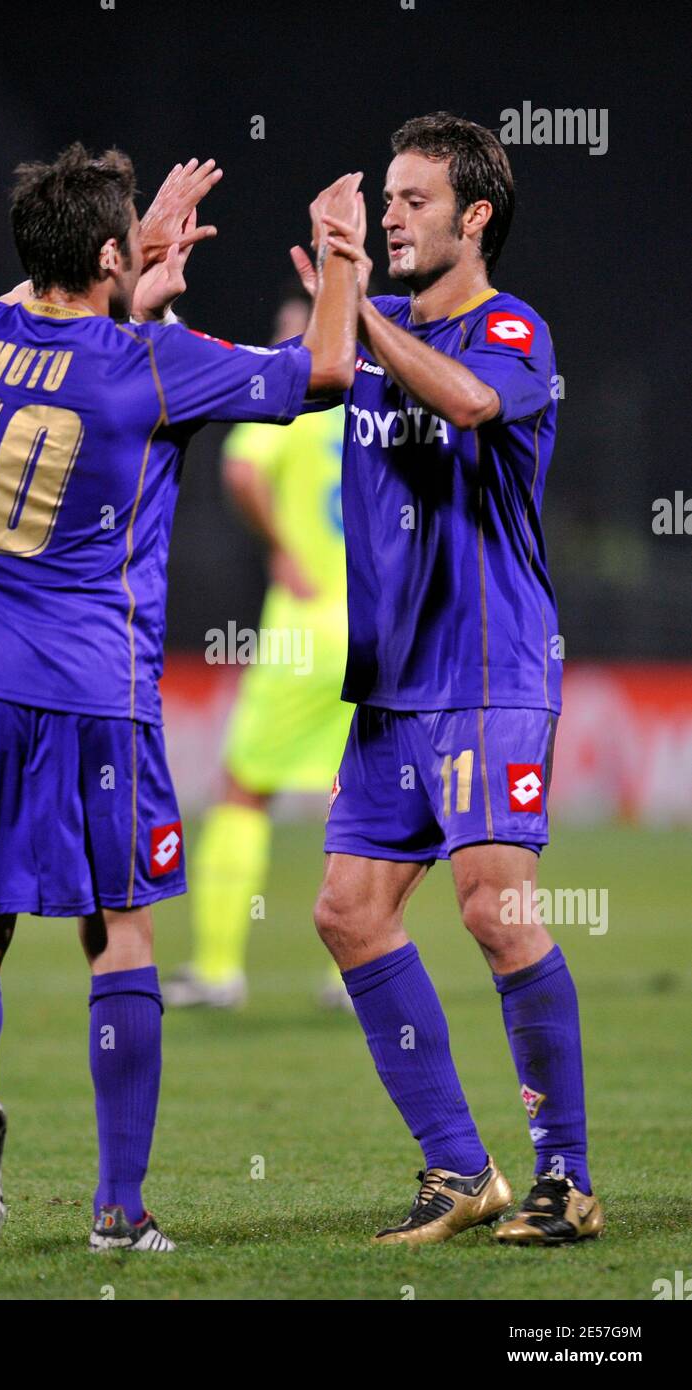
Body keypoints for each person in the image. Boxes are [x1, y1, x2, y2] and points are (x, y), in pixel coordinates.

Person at [0, 143, 363, 1256]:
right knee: (120, 932)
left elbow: (53, 300)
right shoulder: (150, 362)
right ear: (112, 255)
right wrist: (344, 260)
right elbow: (326, 371)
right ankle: (118, 1212)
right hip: (93, 696)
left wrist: (133, 255)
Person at [289, 112, 603, 1247]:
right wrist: (331, 287)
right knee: (346, 911)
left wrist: (364, 308)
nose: (391, 215)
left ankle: (565, 1178)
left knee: (493, 908)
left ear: (472, 218)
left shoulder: (511, 330)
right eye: (385, 199)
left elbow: (469, 404)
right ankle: (456, 1169)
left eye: (413, 200)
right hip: (391, 689)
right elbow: (313, 377)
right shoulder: (372, 339)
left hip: (487, 667)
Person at [163, 288, 352, 1011]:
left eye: (287, 327)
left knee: (244, 787)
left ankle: (216, 970)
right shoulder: (377, 399)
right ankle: (355, 976)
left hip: (306, 627)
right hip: (374, 629)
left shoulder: (299, 388)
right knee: (361, 802)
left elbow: (240, 469)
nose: (279, 338)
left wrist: (280, 550)